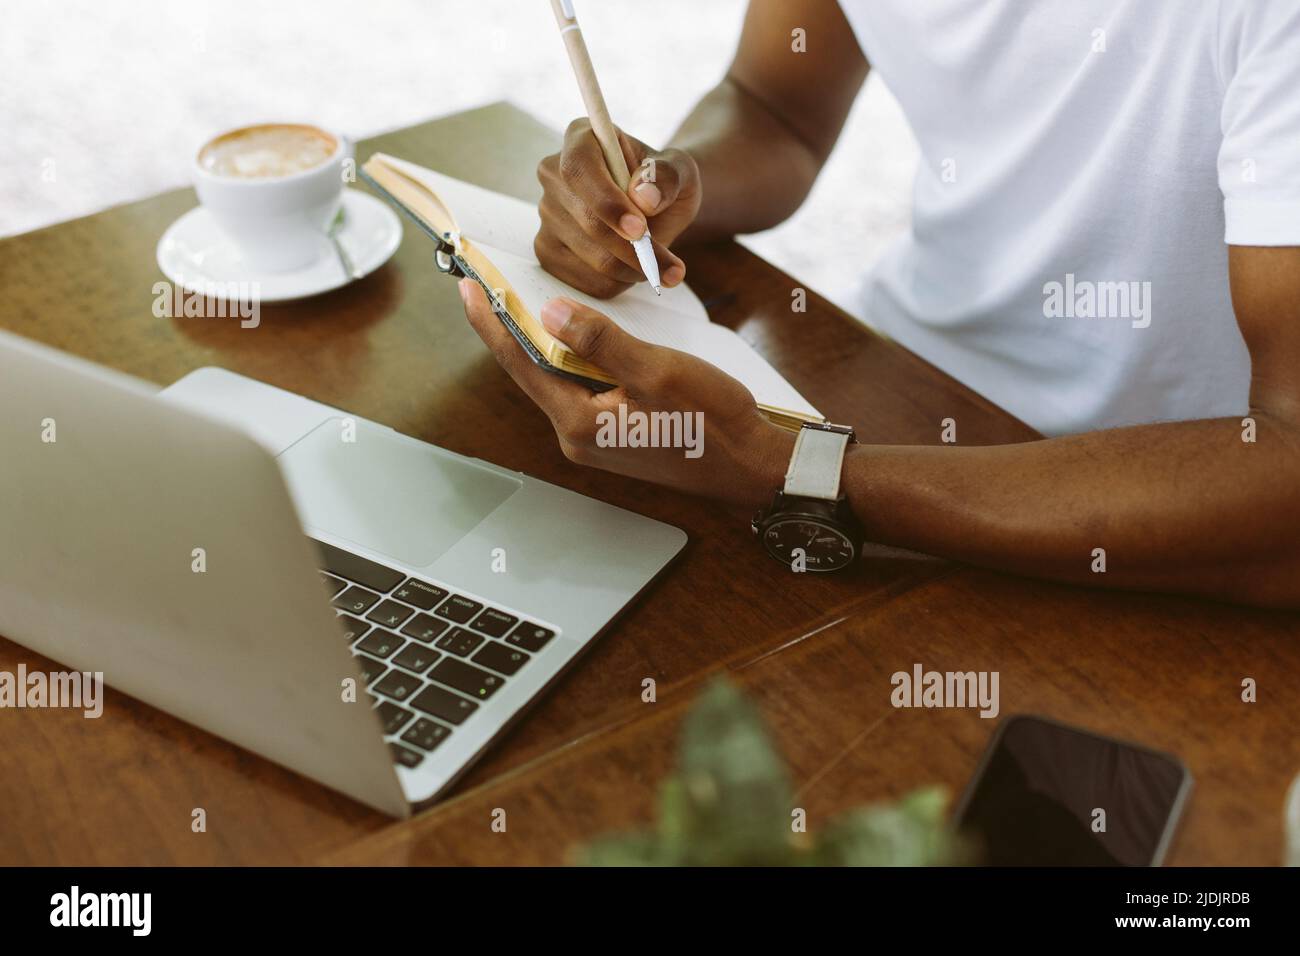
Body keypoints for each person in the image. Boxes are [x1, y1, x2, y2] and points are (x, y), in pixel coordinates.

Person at [458, 0, 1300, 607]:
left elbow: (1287, 462)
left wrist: (791, 472)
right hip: (893, 380)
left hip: (1172, 500)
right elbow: (773, 107)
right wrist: (669, 192)